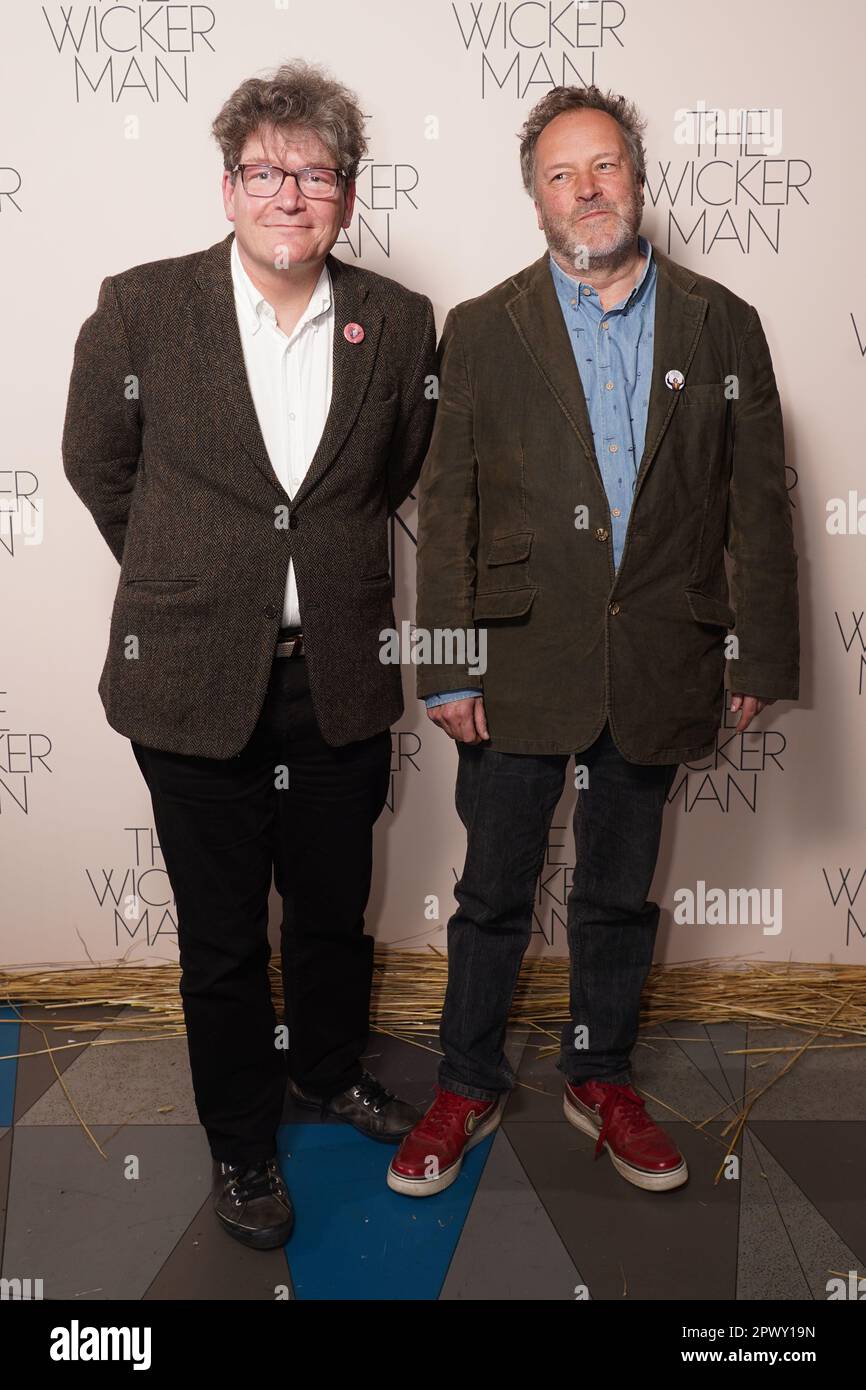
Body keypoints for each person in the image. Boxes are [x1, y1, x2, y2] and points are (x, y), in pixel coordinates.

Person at [388, 84, 799, 1198]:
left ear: (635, 175)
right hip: (517, 661)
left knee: (619, 890)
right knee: (492, 891)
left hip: (662, 650)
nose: (586, 190)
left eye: (604, 166)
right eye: (561, 174)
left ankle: (598, 1074)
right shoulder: (481, 327)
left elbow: (755, 501)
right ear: (535, 198)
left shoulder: (722, 323)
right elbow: (450, 502)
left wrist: (756, 654)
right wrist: (450, 664)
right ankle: (465, 1082)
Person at [62, 59, 437, 1249]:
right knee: (222, 937)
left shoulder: (399, 320)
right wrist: (194, 576)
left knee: (331, 908)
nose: (290, 194)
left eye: (315, 173)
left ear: (345, 192)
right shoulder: (140, 306)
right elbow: (97, 463)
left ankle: (328, 1070)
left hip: (335, 673)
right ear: (228, 188)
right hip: (187, 677)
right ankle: (239, 1142)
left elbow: (394, 472)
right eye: (266, 171)